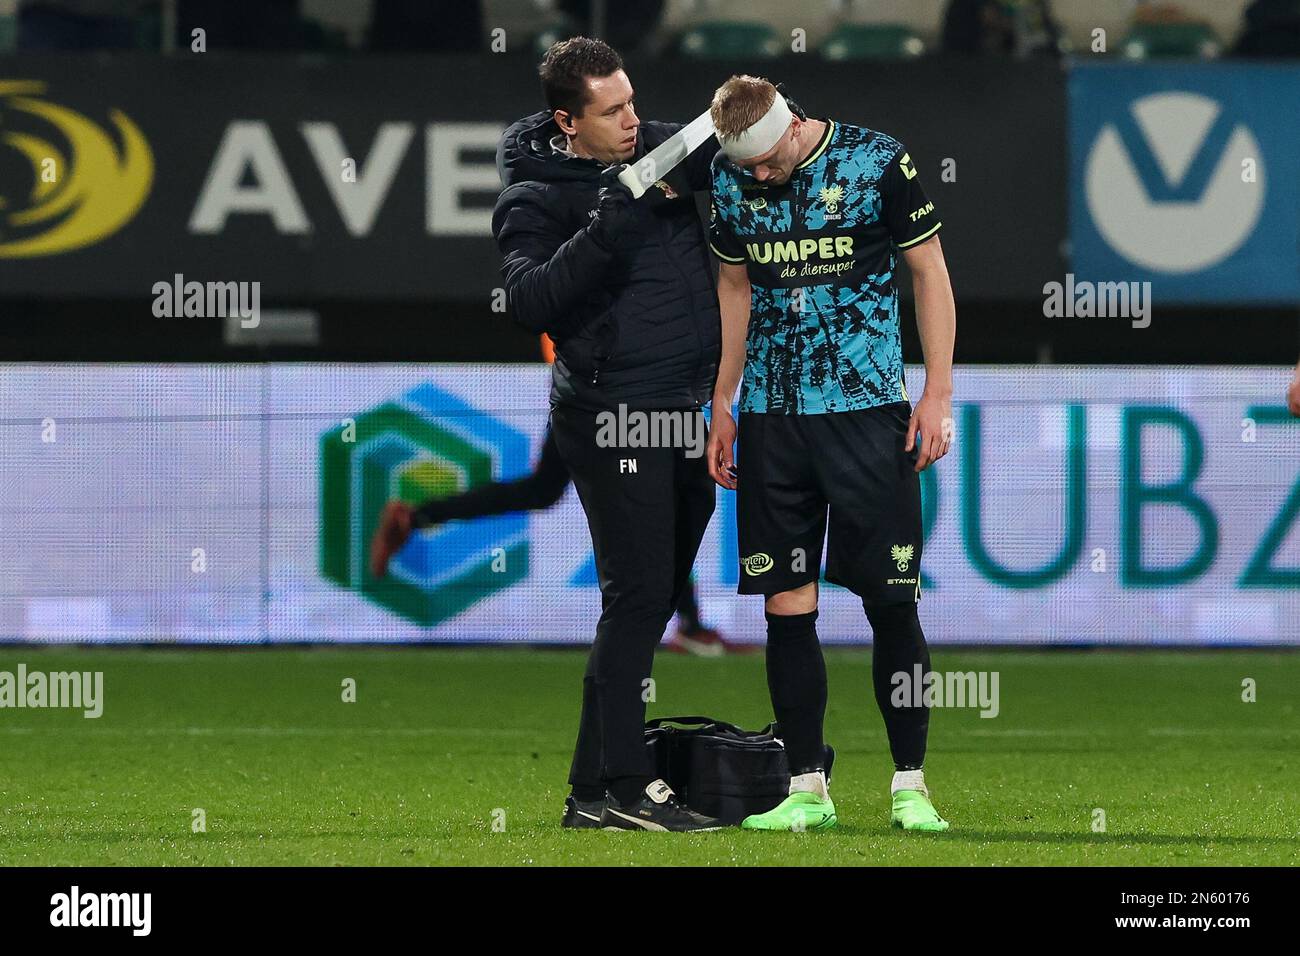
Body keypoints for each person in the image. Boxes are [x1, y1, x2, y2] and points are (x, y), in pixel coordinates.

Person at [705, 76, 957, 832]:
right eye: (743, 166)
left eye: (765, 163)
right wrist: (724, 400)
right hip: (774, 419)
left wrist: (937, 392)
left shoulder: (878, 161)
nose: (756, 177)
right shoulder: (727, 176)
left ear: (790, 126)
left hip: (867, 415)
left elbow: (928, 273)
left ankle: (910, 784)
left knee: (890, 602)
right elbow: (733, 287)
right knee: (786, 605)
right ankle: (806, 788)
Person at [484, 37, 724, 831]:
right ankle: (627, 786)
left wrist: (755, 110)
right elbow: (527, 302)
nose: (633, 121)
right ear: (567, 120)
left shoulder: (654, 150)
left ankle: (590, 793)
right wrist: (606, 226)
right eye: (613, 110)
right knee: (635, 599)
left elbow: (719, 138)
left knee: (650, 601)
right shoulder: (533, 198)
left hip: (682, 407)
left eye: (632, 101)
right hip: (610, 411)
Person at [369, 339, 736, 657]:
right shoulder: (611, 271)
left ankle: (415, 516)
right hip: (607, 398)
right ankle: (680, 622)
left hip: (598, 395)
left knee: (545, 489)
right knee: (655, 497)